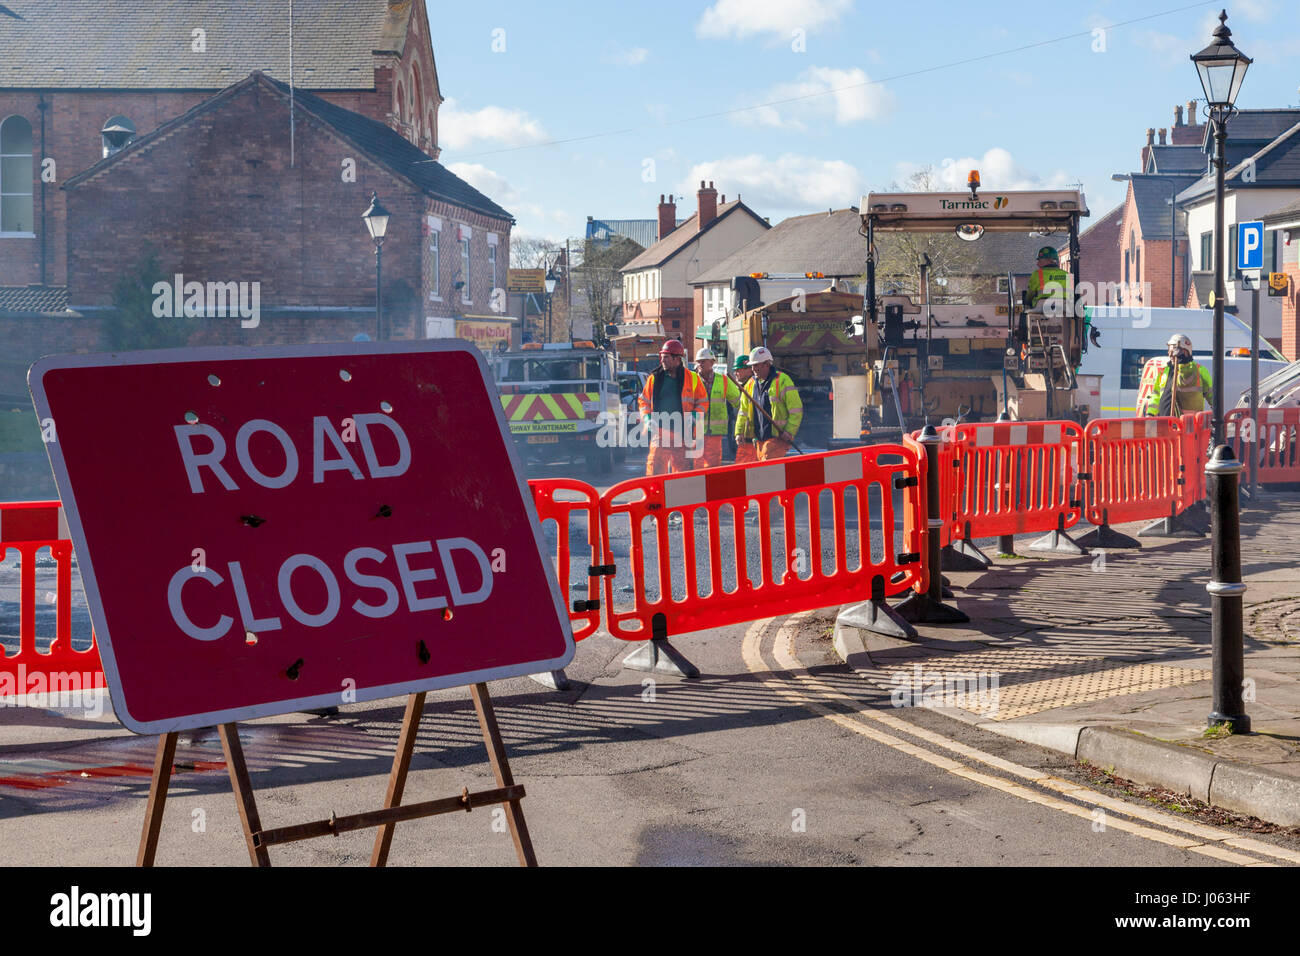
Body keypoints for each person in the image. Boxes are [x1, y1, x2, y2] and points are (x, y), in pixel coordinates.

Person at [638, 339, 706, 475]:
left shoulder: (692, 378)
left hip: (682, 433)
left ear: (677, 359)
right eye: (662, 357)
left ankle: (680, 496)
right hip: (660, 432)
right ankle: (657, 496)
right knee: (655, 469)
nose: (662, 361)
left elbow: (703, 402)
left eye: (666, 357)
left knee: (682, 471)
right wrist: (647, 418)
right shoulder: (654, 378)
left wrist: (694, 416)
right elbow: (643, 401)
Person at [736, 346, 802, 461]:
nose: (753, 369)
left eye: (756, 365)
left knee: (767, 467)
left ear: (767, 364)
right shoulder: (750, 384)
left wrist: (789, 431)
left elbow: (796, 409)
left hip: (777, 438)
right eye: (752, 366)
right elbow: (743, 410)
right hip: (758, 439)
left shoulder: (782, 380)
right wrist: (739, 431)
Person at [692, 347, 741, 469]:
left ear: (713, 362)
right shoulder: (691, 380)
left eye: (704, 361)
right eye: (699, 361)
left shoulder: (723, 380)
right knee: (695, 466)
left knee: (713, 467)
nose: (700, 364)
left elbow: (738, 402)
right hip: (694, 431)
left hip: (714, 432)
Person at [1146, 333, 1212, 416]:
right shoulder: (1164, 372)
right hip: (1165, 421)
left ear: (1185, 351)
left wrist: (1216, 411)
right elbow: (1156, 395)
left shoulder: (1199, 370)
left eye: (1173, 351)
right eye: (1169, 351)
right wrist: (1150, 413)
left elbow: (1211, 394)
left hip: (1190, 424)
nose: (1170, 354)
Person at [1026, 245, 1070, 310]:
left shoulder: (1037, 274)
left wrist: (1027, 301)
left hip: (1041, 309)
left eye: (1040, 261)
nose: (1037, 264)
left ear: (1050, 260)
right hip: (1064, 309)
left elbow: (1030, 295)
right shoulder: (1067, 275)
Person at [729, 354, 753, 463]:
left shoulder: (754, 387)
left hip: (752, 438)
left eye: (738, 370)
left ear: (749, 370)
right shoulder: (741, 387)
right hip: (744, 438)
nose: (735, 373)